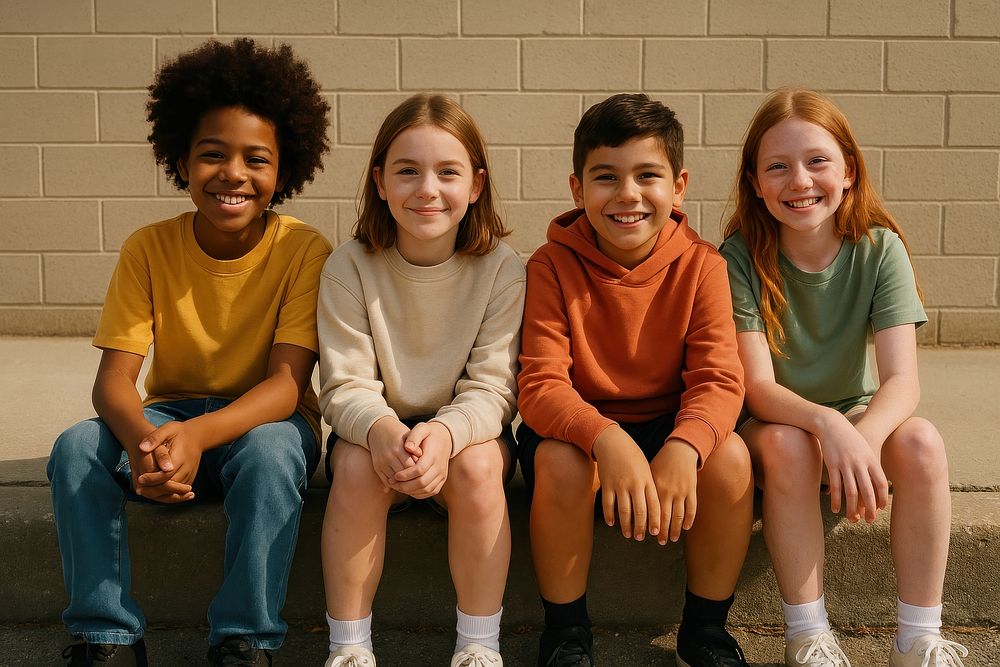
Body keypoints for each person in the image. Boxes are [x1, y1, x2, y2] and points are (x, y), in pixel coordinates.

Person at [46, 38, 332, 667]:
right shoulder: (147, 249)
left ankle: (243, 639)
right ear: (180, 160)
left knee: (273, 450)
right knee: (74, 449)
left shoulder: (304, 251)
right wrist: (146, 442)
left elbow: (286, 387)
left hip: (262, 422)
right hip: (169, 422)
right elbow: (113, 384)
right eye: (212, 155)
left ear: (283, 172)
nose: (233, 173)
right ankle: (106, 635)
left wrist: (198, 436)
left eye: (256, 159)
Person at [719, 88, 969, 667]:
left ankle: (918, 635)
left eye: (817, 161)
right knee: (789, 446)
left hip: (853, 416)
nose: (799, 180)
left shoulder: (879, 249)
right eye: (776, 167)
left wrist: (863, 437)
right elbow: (756, 388)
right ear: (755, 183)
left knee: (924, 443)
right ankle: (808, 633)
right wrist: (826, 425)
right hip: (773, 421)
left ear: (849, 171)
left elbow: (902, 380)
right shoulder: (739, 257)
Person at [517, 93, 753, 667]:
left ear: (679, 186)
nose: (627, 195)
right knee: (558, 463)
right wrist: (605, 438)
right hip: (583, 435)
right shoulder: (550, 265)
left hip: (671, 428)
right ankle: (567, 633)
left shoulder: (704, 265)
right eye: (606, 177)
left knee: (732, 459)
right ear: (577, 189)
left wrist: (684, 445)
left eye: (647, 175)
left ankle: (705, 631)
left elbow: (720, 380)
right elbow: (541, 386)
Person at [318, 93, 525, 667]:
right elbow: (343, 384)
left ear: (476, 185)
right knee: (357, 468)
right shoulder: (350, 265)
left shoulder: (502, 269)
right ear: (379, 181)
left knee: (481, 465)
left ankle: (479, 644)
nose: (427, 189)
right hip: (375, 434)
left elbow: (494, 387)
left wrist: (445, 435)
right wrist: (384, 431)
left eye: (448, 172)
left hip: (464, 439)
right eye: (407, 171)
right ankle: (350, 647)